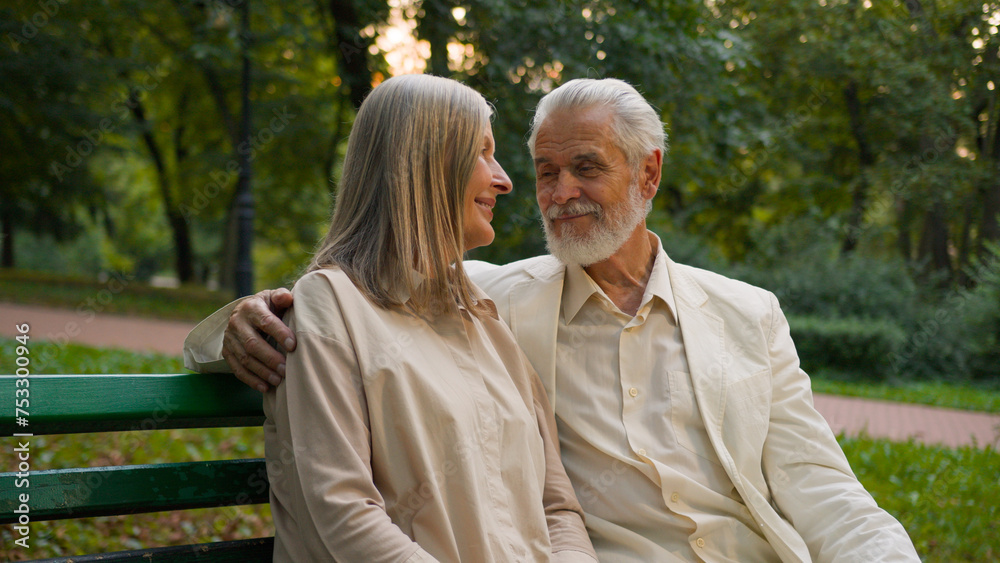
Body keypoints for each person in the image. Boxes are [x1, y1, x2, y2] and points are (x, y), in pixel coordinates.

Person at [186, 78, 920, 562]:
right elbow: (356, 292)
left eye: (586, 167)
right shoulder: (493, 298)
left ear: (649, 174)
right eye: (544, 169)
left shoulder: (747, 314)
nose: (557, 192)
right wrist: (238, 322)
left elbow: (824, 489)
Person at [198, 73, 597, 562]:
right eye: (482, 152)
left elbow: (557, 507)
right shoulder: (330, 308)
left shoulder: (487, 320)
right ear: (424, 162)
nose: (505, 179)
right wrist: (230, 326)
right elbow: (344, 516)